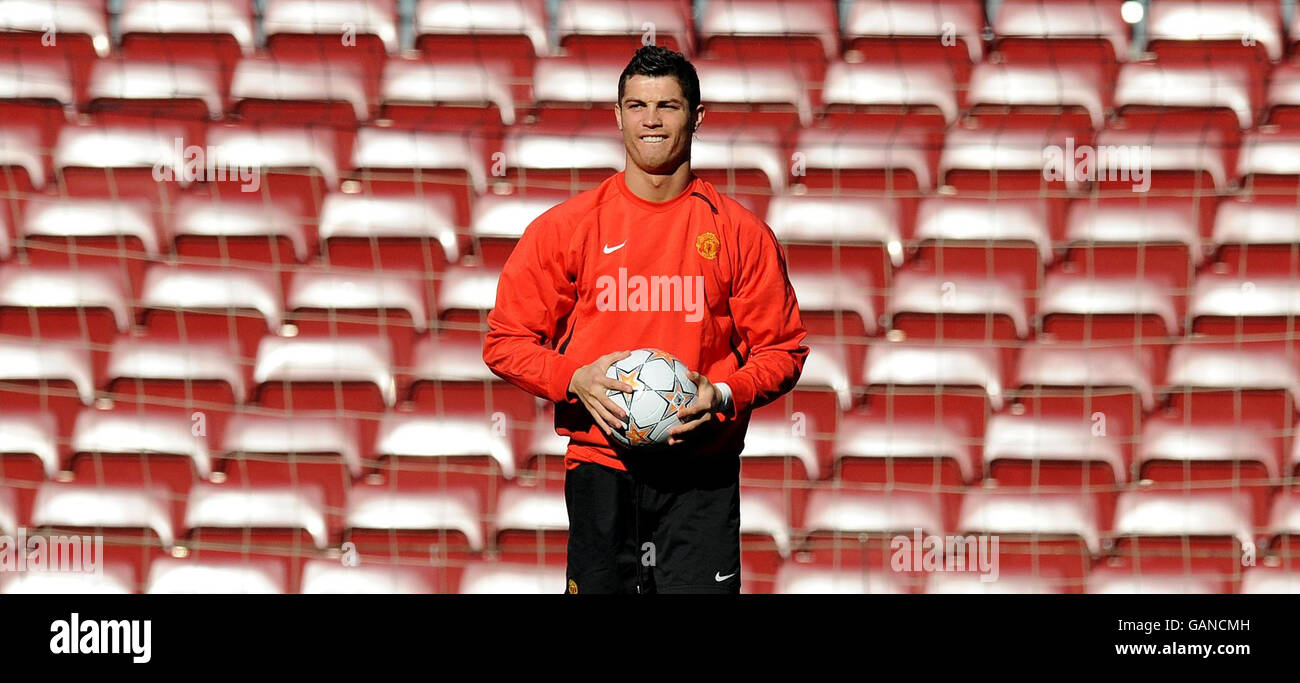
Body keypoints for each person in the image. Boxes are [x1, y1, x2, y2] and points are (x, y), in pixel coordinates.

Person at [483, 45, 808, 594]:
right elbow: (506, 341)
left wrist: (724, 395)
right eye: (636, 105)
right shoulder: (568, 229)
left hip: (701, 476)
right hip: (601, 468)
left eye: (668, 106)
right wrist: (572, 380)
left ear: (696, 117)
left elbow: (785, 350)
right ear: (617, 115)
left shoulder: (738, 232)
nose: (651, 120)